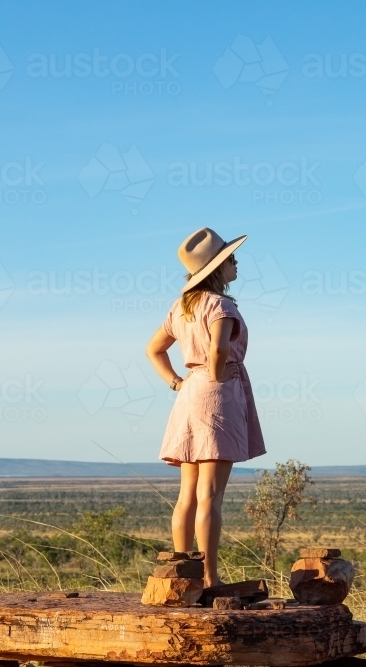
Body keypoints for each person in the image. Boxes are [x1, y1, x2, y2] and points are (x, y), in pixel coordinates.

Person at [145, 227, 266, 587]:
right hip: (217, 394)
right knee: (211, 495)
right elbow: (218, 349)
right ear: (215, 268)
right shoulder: (220, 305)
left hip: (189, 394)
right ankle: (210, 578)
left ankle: (182, 574)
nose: (236, 262)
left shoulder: (181, 307)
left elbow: (154, 349)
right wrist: (216, 376)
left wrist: (176, 382)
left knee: (187, 494)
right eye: (229, 259)